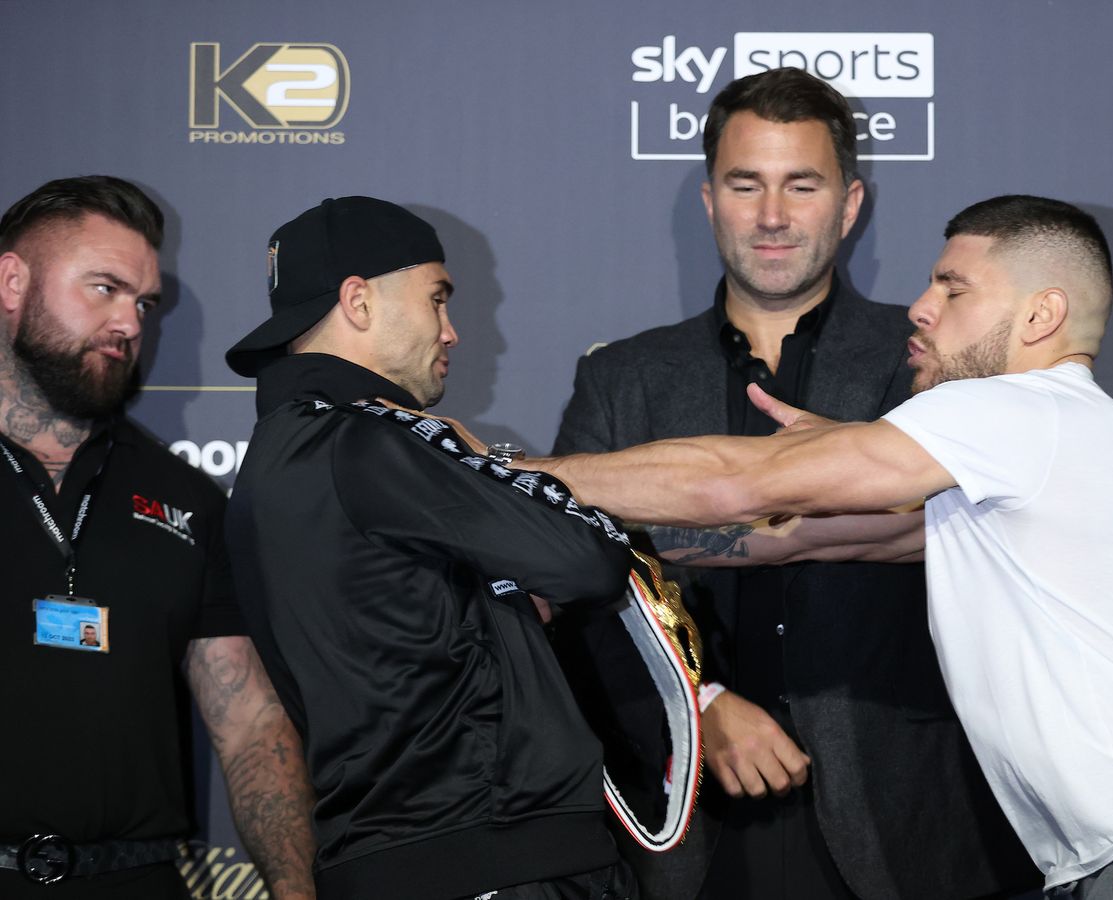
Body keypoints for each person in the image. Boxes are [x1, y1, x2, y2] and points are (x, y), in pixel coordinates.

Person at [517, 194, 1113, 898]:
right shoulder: (1020, 455)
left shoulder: (1023, 410)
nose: (920, 308)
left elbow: (739, 485)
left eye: (954, 289)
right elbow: (776, 541)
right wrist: (609, 536)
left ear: (1040, 316)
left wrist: (510, 477)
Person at [552, 67, 1031, 900]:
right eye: (747, 184)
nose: (772, 216)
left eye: (800, 185)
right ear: (709, 200)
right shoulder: (622, 380)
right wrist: (700, 705)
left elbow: (958, 548)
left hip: (908, 819)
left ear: (849, 206)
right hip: (683, 822)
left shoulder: (930, 363)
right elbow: (572, 584)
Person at [223, 197, 638, 900]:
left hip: (398, 855)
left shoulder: (272, 462)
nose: (452, 332)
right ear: (357, 301)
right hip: (492, 857)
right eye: (437, 300)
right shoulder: (371, 440)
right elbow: (588, 559)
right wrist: (498, 477)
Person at [0, 175, 314, 898]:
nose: (131, 324)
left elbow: (251, 730)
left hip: (134, 879)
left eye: (144, 303)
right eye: (103, 289)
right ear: (13, 282)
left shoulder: (186, 500)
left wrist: (296, 892)